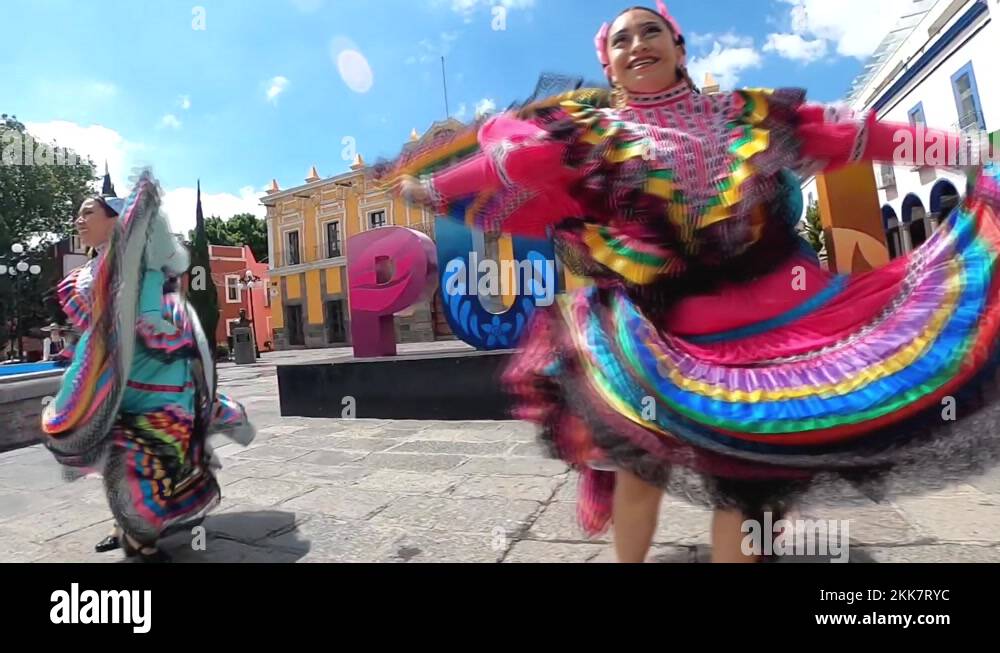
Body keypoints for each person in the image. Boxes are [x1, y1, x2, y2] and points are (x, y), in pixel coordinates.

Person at [392, 1, 1000, 562]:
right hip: (663, 347)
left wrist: (973, 148)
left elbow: (863, 135)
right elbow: (509, 165)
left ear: (679, 48)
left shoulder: (753, 118)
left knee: (751, 492)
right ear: (609, 65)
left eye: (651, 31)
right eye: (621, 41)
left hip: (782, 343)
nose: (638, 45)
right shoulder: (592, 139)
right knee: (639, 474)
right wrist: (429, 189)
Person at [39, 173, 255, 562]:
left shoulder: (141, 264)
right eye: (78, 214)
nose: (79, 220)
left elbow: (152, 318)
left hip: (147, 370)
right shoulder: (85, 274)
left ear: (114, 219)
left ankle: (142, 536)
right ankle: (128, 523)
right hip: (102, 374)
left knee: (144, 451)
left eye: (88, 212)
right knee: (114, 453)